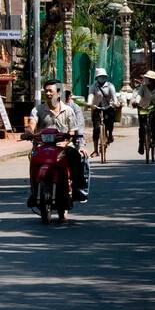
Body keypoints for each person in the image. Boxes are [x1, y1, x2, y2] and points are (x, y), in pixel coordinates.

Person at [24, 78, 85, 208]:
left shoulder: (68, 110)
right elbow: (32, 124)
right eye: (46, 91)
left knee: (75, 156)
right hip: (42, 146)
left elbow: (73, 130)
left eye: (51, 91)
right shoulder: (38, 110)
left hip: (63, 146)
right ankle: (34, 191)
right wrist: (29, 132)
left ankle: (77, 188)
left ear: (58, 93)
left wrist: (66, 141)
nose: (48, 94)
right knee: (32, 158)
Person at [132, 70, 155, 154]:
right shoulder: (143, 87)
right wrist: (136, 102)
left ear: (151, 80)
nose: (145, 80)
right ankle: (141, 144)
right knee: (142, 127)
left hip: (154, 108)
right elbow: (139, 95)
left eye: (147, 78)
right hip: (143, 107)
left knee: (154, 125)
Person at [89, 68, 119, 145]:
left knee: (110, 122)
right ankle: (95, 149)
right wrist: (90, 103)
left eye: (104, 76)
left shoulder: (110, 86)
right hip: (97, 108)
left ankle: (110, 134)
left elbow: (114, 96)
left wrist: (115, 103)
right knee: (96, 129)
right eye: (100, 76)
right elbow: (91, 95)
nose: (102, 78)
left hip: (108, 107)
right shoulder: (93, 86)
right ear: (97, 78)